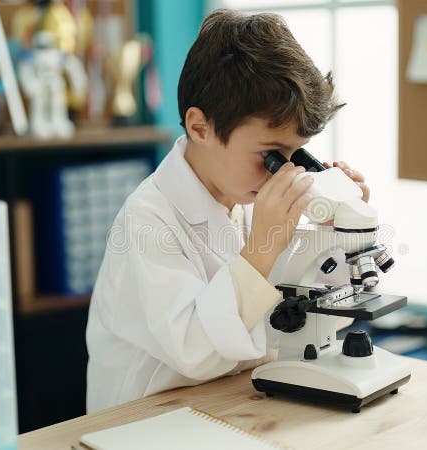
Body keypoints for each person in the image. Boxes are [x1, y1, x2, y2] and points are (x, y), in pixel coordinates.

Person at [85, 9, 370, 412]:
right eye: (270, 155)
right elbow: (195, 350)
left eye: (295, 155)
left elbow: (313, 319)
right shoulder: (147, 220)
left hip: (232, 403)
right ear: (200, 127)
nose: (283, 171)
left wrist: (338, 231)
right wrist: (262, 250)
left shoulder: (249, 200)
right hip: (142, 423)